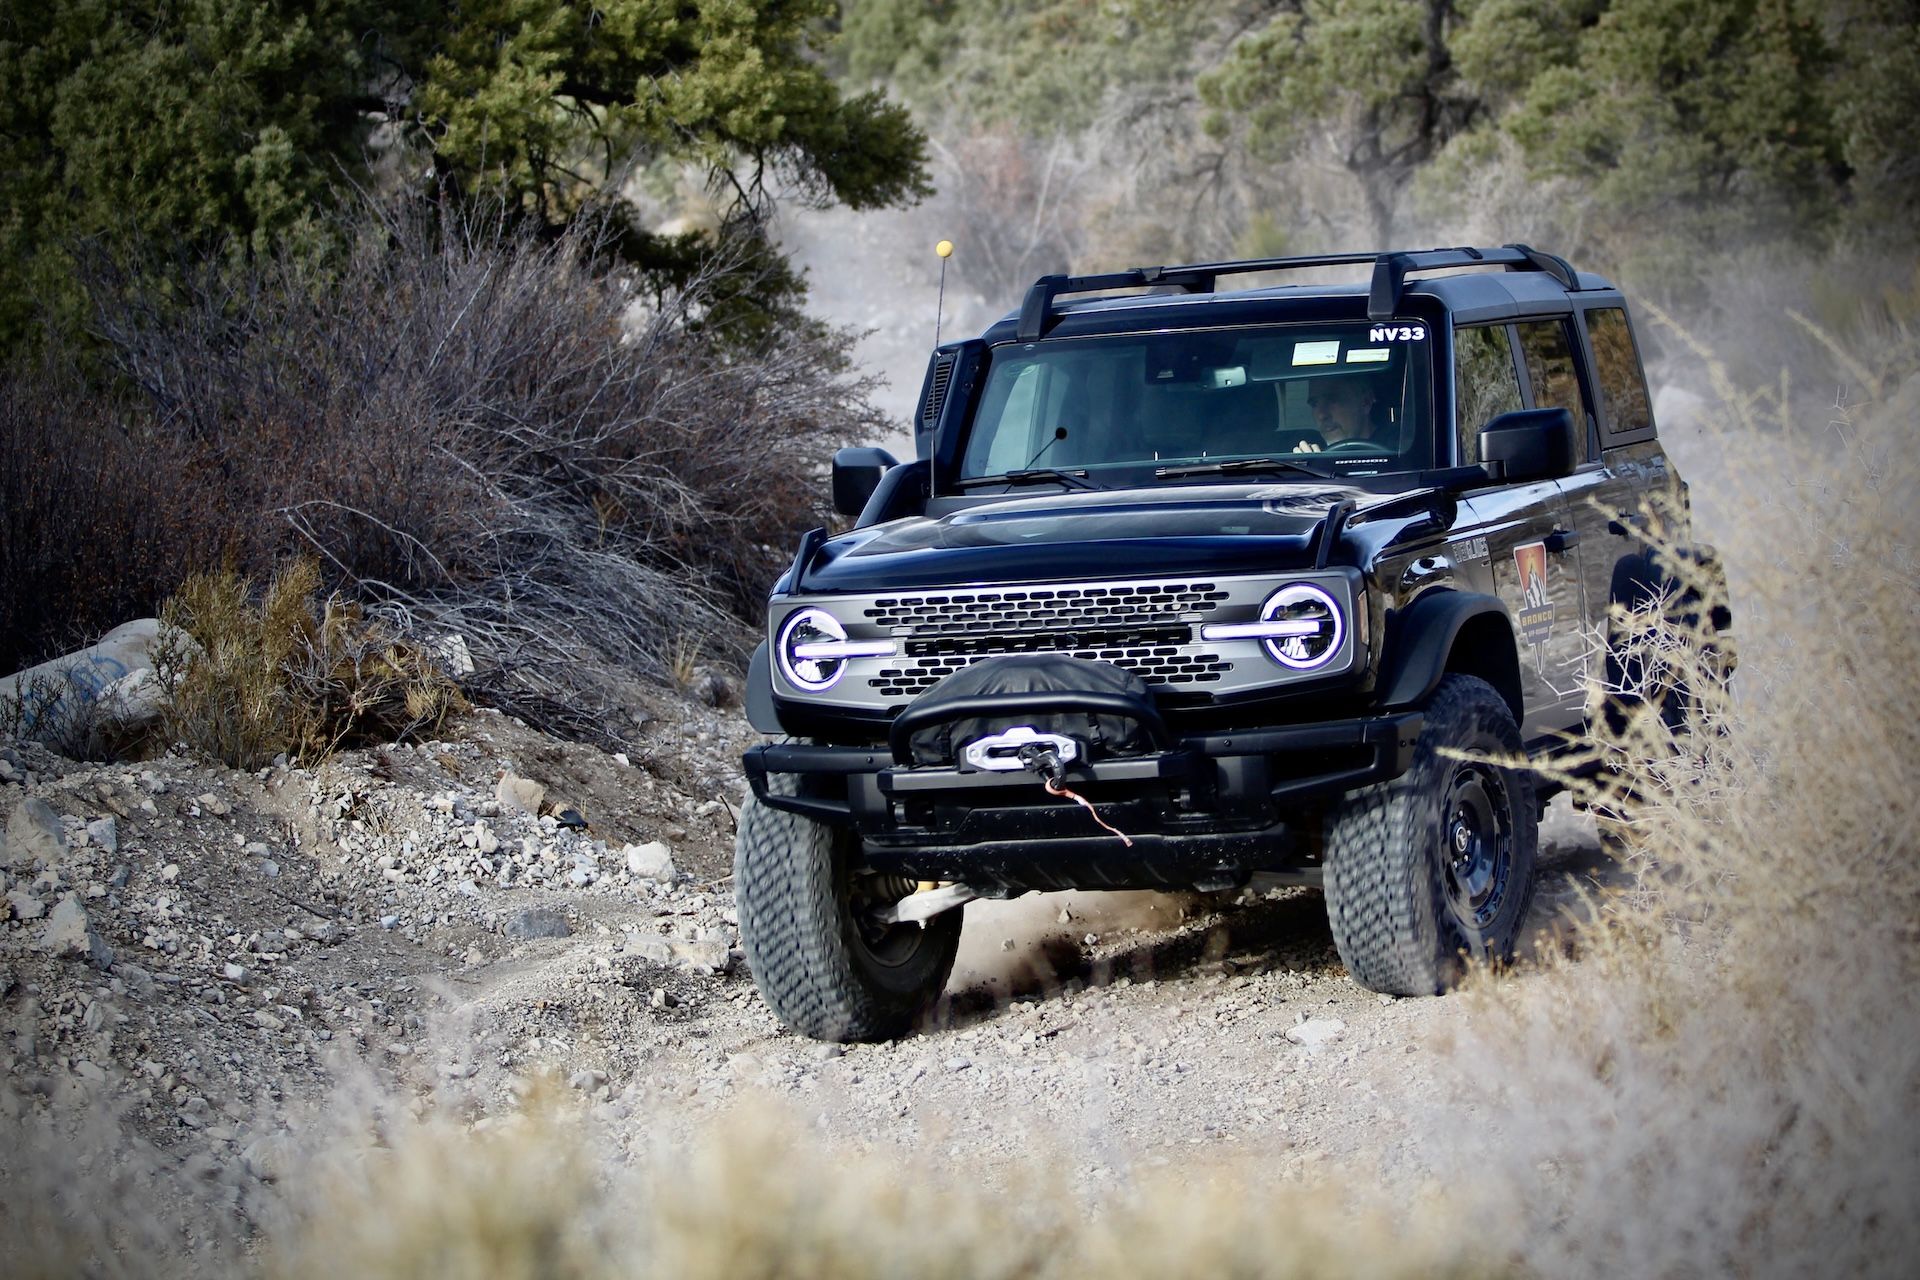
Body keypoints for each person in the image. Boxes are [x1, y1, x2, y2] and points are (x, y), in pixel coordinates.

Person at [1297, 377, 1378, 452]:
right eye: (1314, 404)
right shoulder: (1314, 452)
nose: (1321, 415)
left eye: (1332, 400)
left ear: (1366, 402)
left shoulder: (1390, 449)